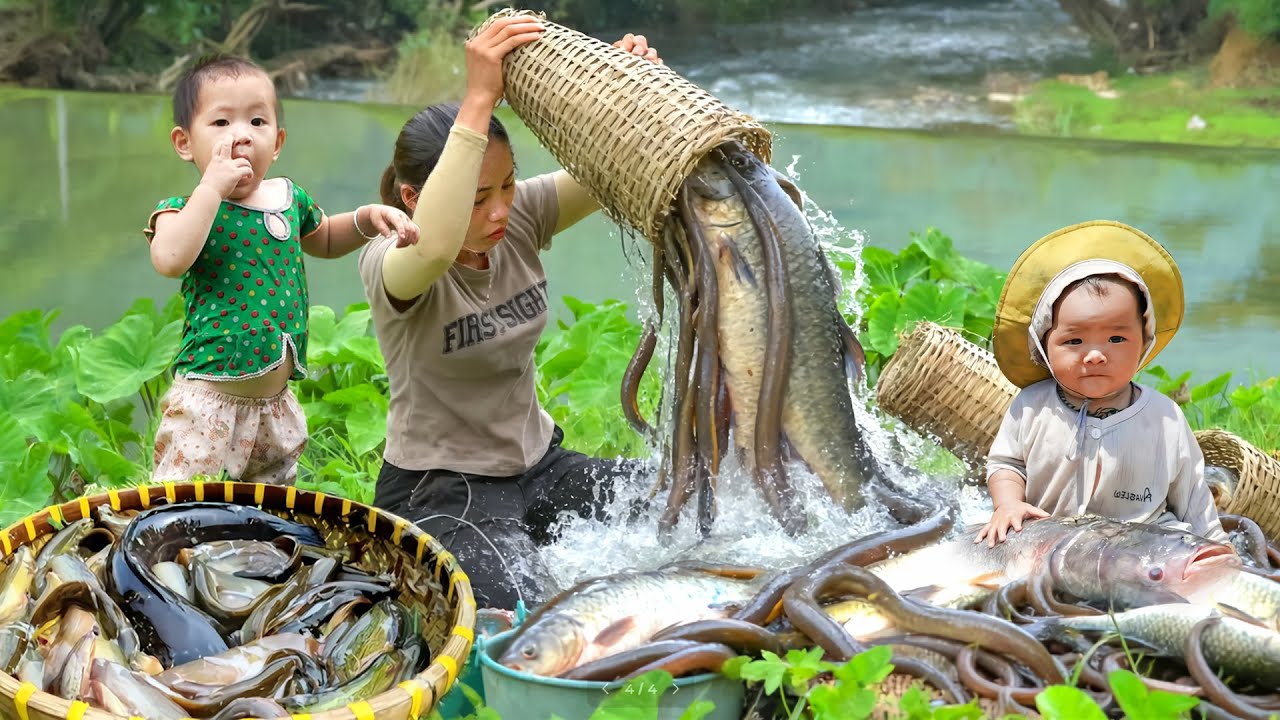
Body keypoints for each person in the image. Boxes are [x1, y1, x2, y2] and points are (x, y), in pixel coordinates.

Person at [358, 17, 660, 608]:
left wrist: (628, 87)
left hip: (538, 464)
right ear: (412, 199)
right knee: (519, 612)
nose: (500, 211)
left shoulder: (520, 216)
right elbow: (438, 243)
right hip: (440, 487)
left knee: (681, 508)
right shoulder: (391, 259)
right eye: (477, 198)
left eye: (508, 186)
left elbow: (611, 168)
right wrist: (478, 97)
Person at [146, 54, 419, 485]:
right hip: (210, 402)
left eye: (257, 122)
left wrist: (366, 219)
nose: (241, 135)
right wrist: (211, 188)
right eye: (221, 123)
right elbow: (170, 258)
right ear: (184, 142)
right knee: (184, 505)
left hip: (275, 404)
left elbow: (325, 238)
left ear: (277, 142)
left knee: (268, 507)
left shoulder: (289, 198)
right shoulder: (182, 210)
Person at [976, 220, 1226, 546]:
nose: (1095, 355)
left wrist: (1216, 543)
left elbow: (1192, 492)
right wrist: (1007, 504)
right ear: (1044, 348)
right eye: (1074, 341)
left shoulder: (1164, 418)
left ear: (1144, 341)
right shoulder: (1031, 407)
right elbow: (1006, 464)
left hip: (1142, 548)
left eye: (1116, 338)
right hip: (1049, 542)